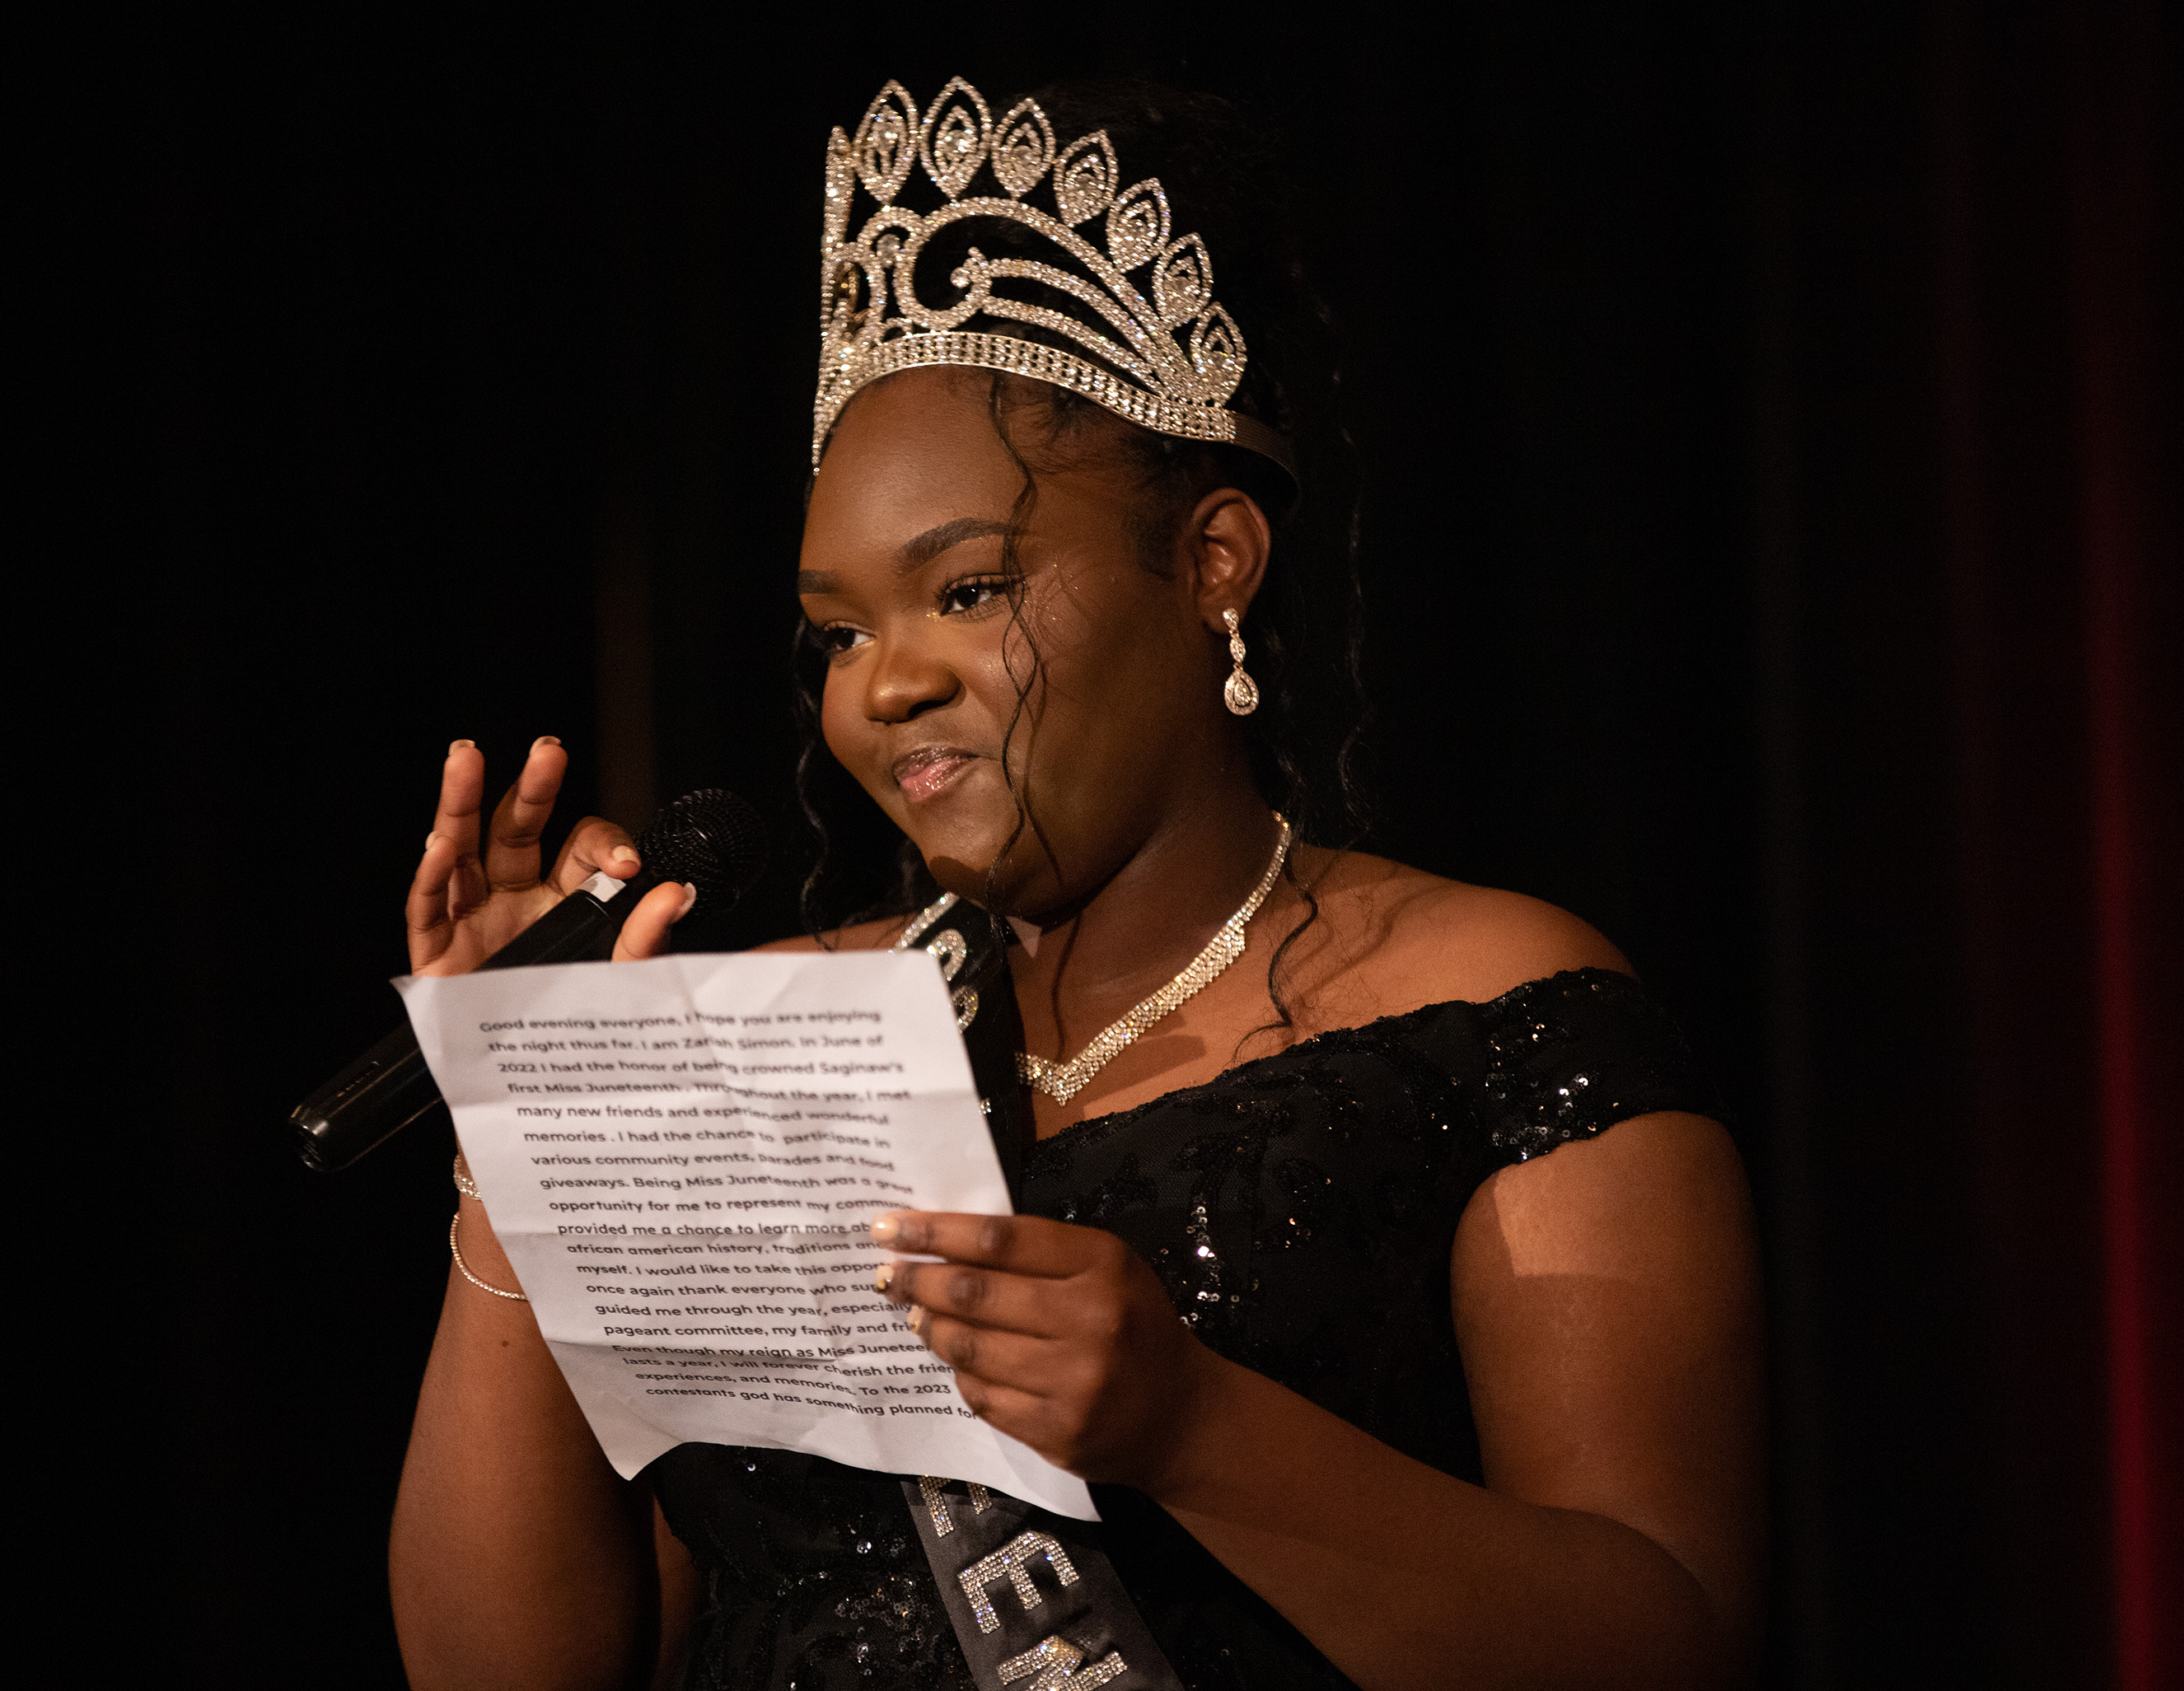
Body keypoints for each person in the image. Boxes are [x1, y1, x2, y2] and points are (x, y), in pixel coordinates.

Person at [386, 75, 1762, 1691]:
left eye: (965, 587)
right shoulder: (764, 1048)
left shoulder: (1492, 1004)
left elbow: (1665, 1643)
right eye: (839, 629)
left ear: (1213, 562)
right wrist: (516, 1145)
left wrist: (1190, 1428)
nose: (879, 684)